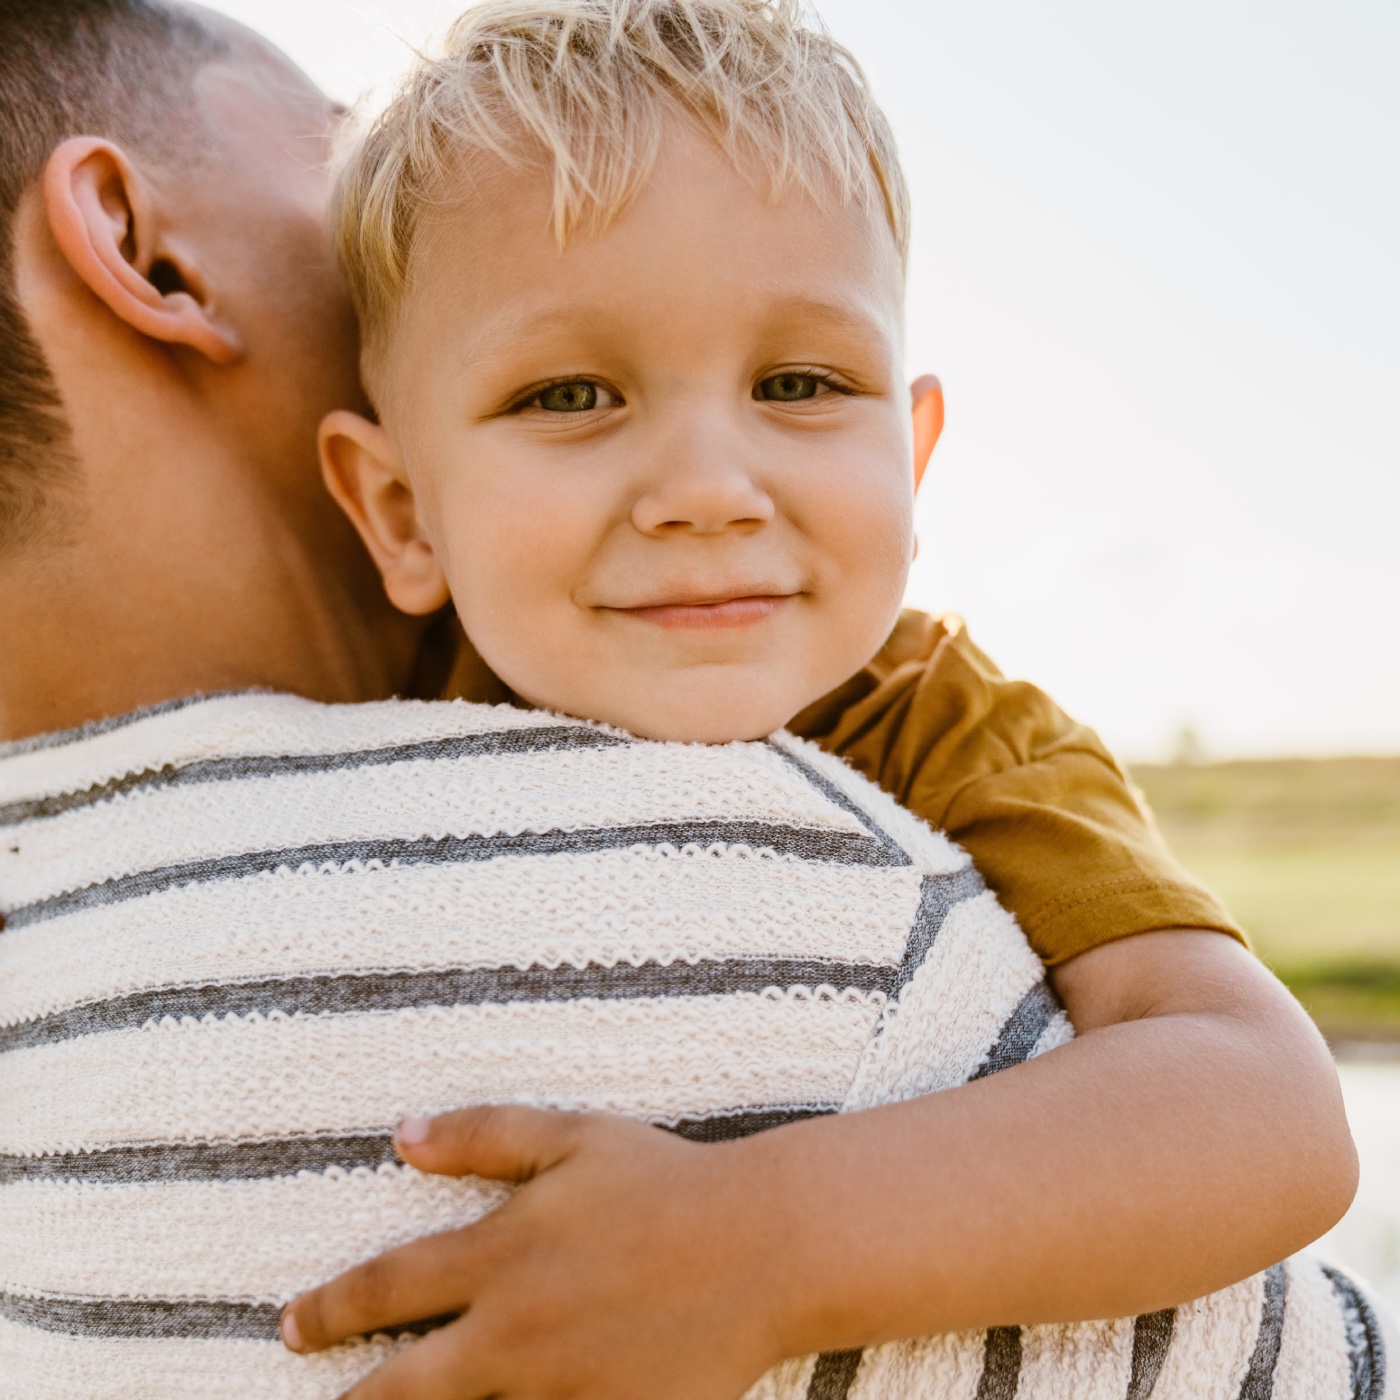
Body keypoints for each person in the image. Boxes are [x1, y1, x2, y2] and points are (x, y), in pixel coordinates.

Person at [0, 0, 1359, 1395]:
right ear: (400, 510)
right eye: (573, 393)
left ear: (913, 451)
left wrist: (764, 1245)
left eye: (801, 381)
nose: (709, 487)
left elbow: (1265, 1109)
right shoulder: (402, 705)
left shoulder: (936, 719)